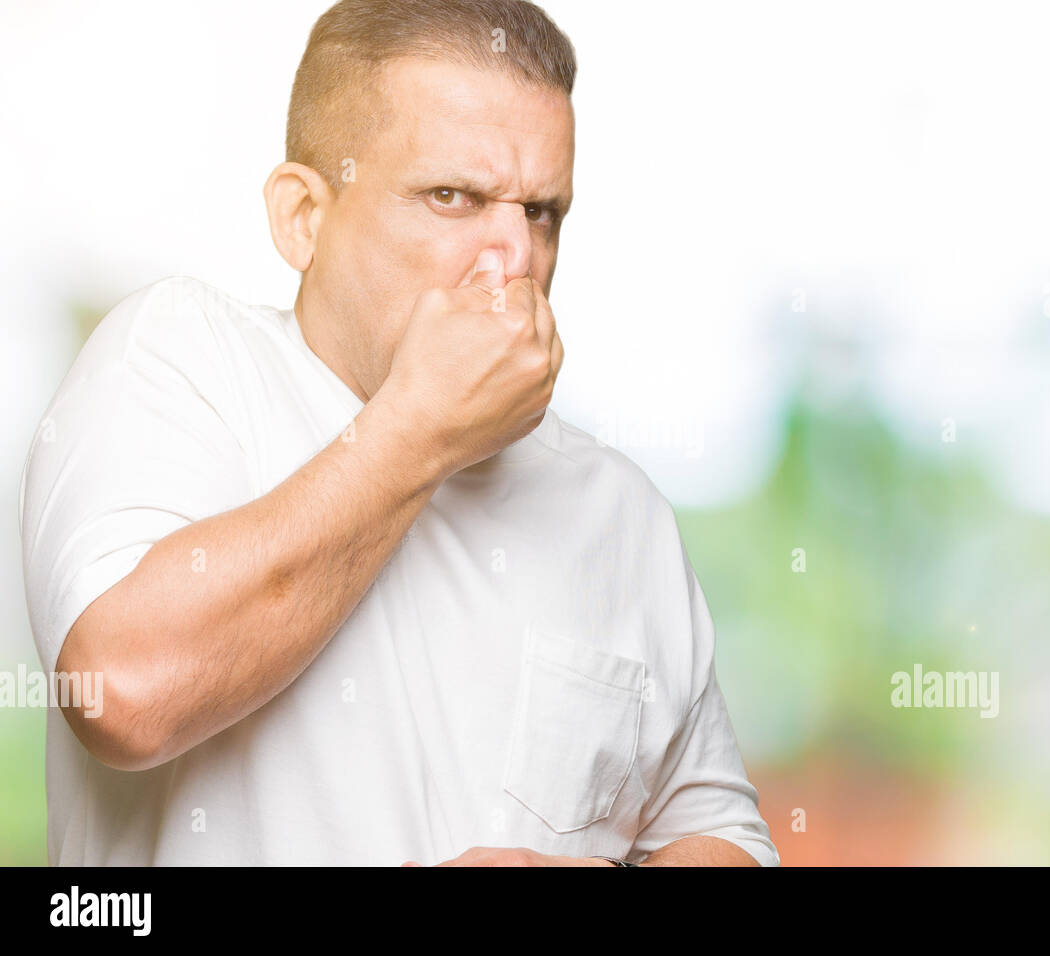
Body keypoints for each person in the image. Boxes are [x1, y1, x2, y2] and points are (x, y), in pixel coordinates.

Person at [19, 0, 778, 867]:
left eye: (540, 212)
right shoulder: (183, 359)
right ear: (303, 216)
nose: (515, 261)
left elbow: (721, 836)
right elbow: (121, 693)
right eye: (453, 196)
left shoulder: (621, 510)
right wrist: (421, 431)